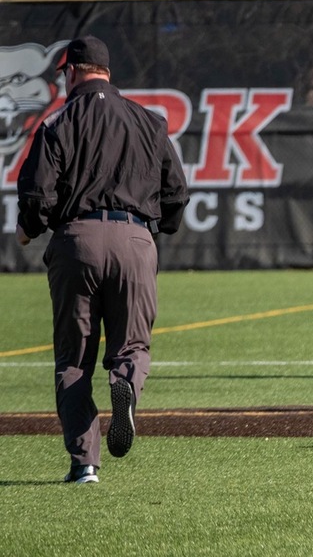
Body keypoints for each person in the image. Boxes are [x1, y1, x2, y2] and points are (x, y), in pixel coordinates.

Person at [16, 36, 191, 483]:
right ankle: (126, 385)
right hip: (134, 240)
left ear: (73, 71)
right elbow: (176, 192)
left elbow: (37, 191)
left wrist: (31, 226)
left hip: (78, 241)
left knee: (74, 360)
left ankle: (84, 464)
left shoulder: (58, 123)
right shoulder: (149, 122)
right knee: (132, 346)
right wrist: (155, 230)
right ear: (107, 72)